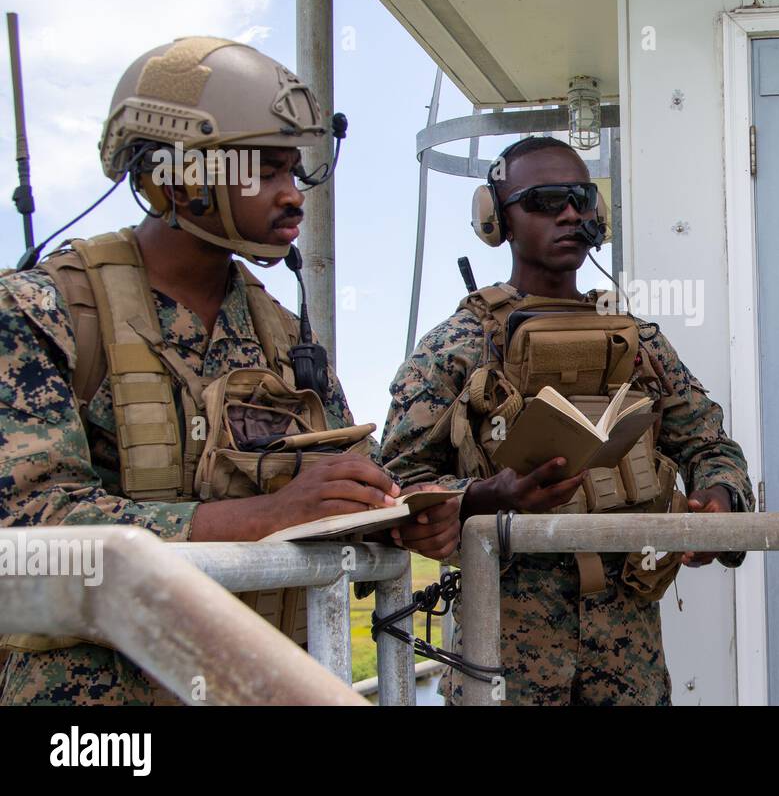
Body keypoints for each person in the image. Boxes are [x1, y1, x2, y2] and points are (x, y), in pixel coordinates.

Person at [0, 37, 458, 705]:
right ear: (181, 177)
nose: (292, 195)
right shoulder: (44, 311)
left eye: (294, 172)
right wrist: (263, 515)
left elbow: (352, 477)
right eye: (265, 172)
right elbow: (28, 524)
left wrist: (397, 518)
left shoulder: (284, 336)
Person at [382, 135, 753, 705]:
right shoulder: (455, 349)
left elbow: (709, 442)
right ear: (496, 220)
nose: (571, 214)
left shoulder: (638, 343)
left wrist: (718, 500)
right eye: (545, 201)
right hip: (504, 664)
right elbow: (400, 486)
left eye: (581, 198)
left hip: (629, 665)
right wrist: (485, 496)